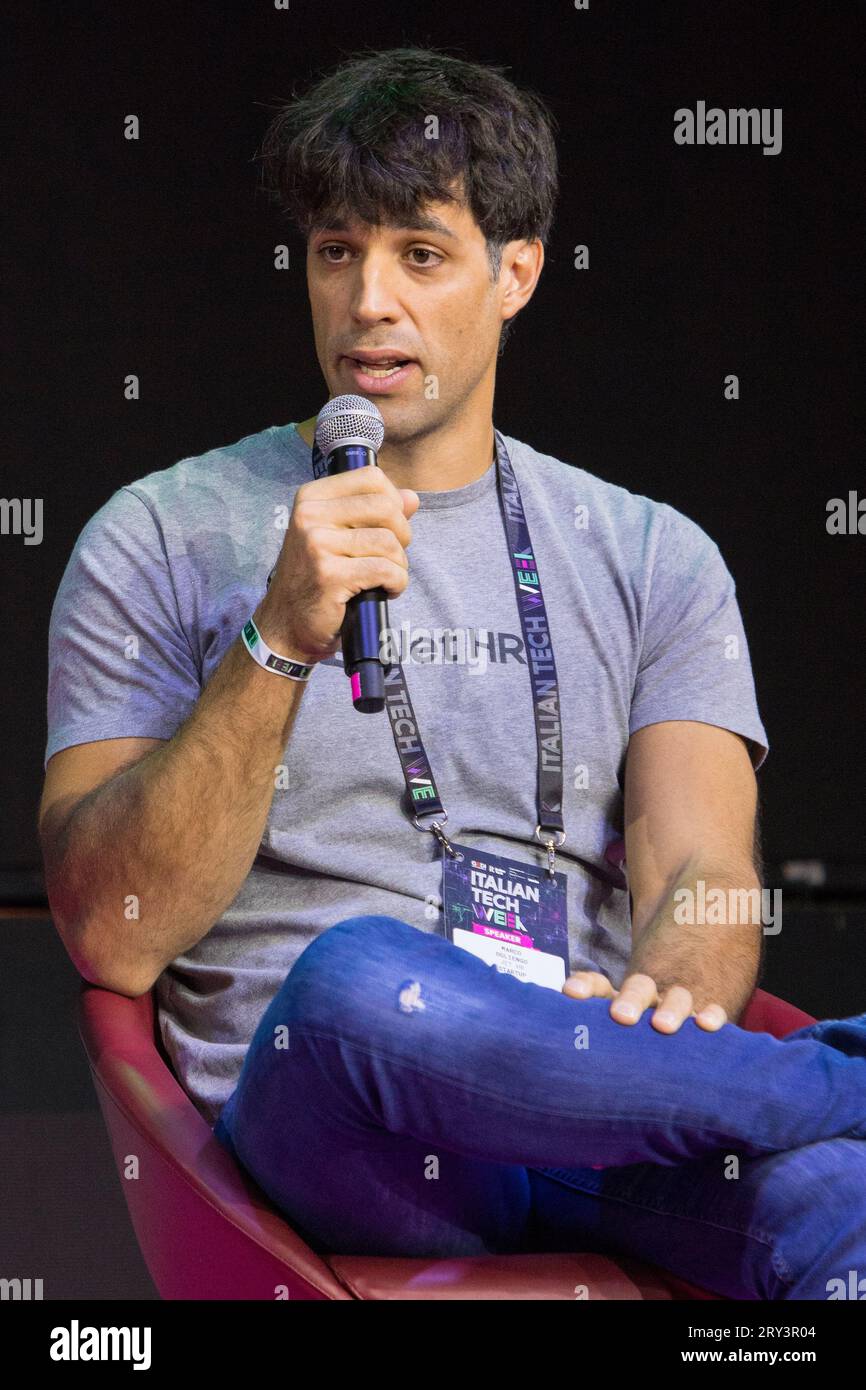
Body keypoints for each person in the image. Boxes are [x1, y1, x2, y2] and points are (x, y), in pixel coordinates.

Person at [39, 46, 866, 1300]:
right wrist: (280, 638)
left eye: (418, 255)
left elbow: (701, 879)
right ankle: (842, 1082)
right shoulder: (155, 534)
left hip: (594, 1108)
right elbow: (113, 931)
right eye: (334, 252)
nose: (368, 301)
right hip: (334, 1124)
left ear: (515, 271)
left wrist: (643, 1036)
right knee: (362, 981)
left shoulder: (652, 556)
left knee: (844, 1213)